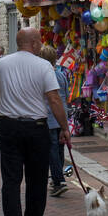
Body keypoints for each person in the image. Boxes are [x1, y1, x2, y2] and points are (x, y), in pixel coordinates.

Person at [0, 27, 72, 216]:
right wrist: (65, 127)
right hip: (37, 128)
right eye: (40, 41)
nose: (41, 45)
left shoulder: (2, 63)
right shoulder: (43, 66)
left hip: (9, 127)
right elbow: (54, 99)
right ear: (33, 43)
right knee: (37, 178)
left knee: (11, 180)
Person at [40, 45, 69, 196]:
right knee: (59, 149)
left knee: (52, 149)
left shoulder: (44, 75)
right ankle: (57, 178)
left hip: (50, 117)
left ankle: (59, 181)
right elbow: (66, 95)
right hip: (62, 117)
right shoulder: (61, 75)